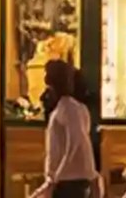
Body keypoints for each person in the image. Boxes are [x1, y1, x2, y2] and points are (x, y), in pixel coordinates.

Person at [33, 61, 98, 198]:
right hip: (69, 181)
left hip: (67, 183)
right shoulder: (78, 109)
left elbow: (76, 142)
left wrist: (55, 179)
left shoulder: (67, 109)